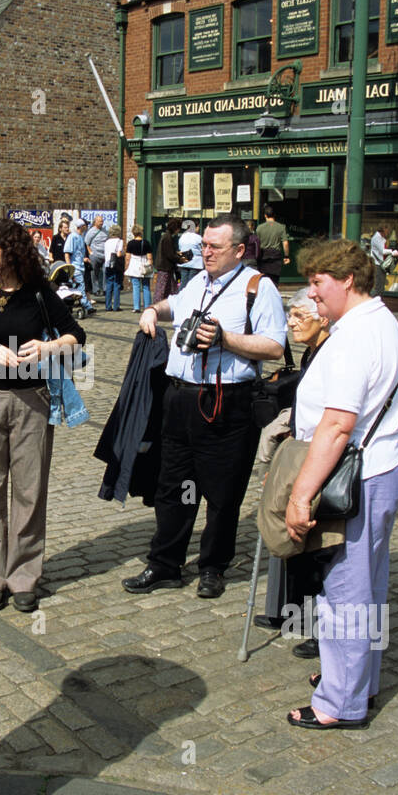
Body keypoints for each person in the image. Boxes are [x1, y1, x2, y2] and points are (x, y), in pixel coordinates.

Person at [123, 213, 287, 599]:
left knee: (222, 490)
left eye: (214, 247)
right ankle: (165, 563)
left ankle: (213, 566)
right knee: (175, 485)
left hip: (226, 402)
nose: (205, 252)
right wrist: (152, 310)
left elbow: (275, 346)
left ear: (240, 250)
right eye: (204, 245)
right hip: (180, 397)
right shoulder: (199, 279)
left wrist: (225, 339)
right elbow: (174, 304)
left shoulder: (257, 287)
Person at [285, 239, 398, 729]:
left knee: (347, 591)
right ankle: (360, 681)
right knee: (368, 587)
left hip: (361, 475)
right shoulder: (378, 322)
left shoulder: (357, 336)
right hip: (384, 465)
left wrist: (300, 494)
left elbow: (337, 425)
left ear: (348, 281)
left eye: (318, 283)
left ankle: (340, 704)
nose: (311, 294)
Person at [0, 218, 86, 614]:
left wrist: (50, 347)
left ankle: (24, 577)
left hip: (33, 402)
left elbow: (77, 335)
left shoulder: (39, 293)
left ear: (11, 251)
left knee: (29, 491)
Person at [253, 287, 331, 655]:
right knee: (293, 536)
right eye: (290, 315)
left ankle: (319, 626)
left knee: (317, 543)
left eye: (300, 315)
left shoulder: (332, 354)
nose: (291, 322)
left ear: (323, 316)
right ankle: (292, 611)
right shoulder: (310, 351)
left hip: (317, 454)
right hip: (297, 449)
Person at [63, 217, 94, 313]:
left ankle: (74, 306)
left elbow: (78, 253)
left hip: (81, 267)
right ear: (82, 226)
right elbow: (67, 253)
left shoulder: (81, 237)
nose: (86, 227)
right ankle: (88, 306)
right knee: (80, 287)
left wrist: (84, 259)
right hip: (75, 268)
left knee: (77, 288)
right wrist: (69, 267)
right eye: (85, 225)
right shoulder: (72, 237)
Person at [257, 205, 290, 285]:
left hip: (263, 256)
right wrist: (286, 256)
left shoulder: (259, 228)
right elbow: (285, 243)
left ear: (265, 215)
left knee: (263, 281)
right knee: (274, 282)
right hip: (275, 256)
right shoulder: (281, 227)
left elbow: (257, 243)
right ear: (274, 215)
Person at [153, 218, 183, 304]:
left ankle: (170, 304)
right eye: (179, 228)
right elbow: (169, 254)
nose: (179, 230)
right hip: (165, 267)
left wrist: (177, 254)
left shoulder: (167, 236)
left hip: (166, 267)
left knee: (170, 289)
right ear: (176, 228)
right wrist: (180, 259)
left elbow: (169, 252)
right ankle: (156, 306)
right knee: (162, 289)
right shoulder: (167, 238)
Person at [124, 224, 153, 313]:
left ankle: (136, 307)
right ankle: (147, 306)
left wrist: (126, 267)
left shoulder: (130, 243)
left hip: (134, 266)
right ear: (141, 232)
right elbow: (150, 257)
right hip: (144, 265)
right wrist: (150, 265)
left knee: (136, 287)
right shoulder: (146, 243)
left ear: (133, 233)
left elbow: (128, 258)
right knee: (146, 287)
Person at [176, 219, 203, 291]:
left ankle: (180, 298)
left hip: (184, 262)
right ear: (196, 227)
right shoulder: (198, 238)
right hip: (195, 263)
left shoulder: (182, 237)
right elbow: (202, 249)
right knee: (193, 283)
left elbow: (180, 248)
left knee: (183, 282)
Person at [85, 216, 108, 299]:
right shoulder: (91, 232)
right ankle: (96, 290)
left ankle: (105, 289)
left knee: (106, 272)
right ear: (95, 222)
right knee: (94, 273)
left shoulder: (105, 231)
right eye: (100, 221)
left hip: (105, 256)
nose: (101, 223)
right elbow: (87, 243)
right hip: (95, 256)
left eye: (102, 221)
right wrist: (91, 253)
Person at [103, 224, 124, 311]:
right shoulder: (119, 241)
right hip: (116, 264)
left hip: (107, 264)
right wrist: (123, 253)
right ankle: (116, 306)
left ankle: (108, 306)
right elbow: (118, 254)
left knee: (109, 284)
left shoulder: (107, 242)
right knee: (116, 284)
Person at [369, 223, 391, 297]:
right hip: (377, 264)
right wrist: (392, 251)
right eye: (387, 231)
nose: (387, 233)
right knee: (377, 287)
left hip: (381, 264)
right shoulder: (376, 238)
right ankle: (370, 301)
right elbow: (382, 251)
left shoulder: (381, 238)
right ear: (383, 230)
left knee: (381, 287)